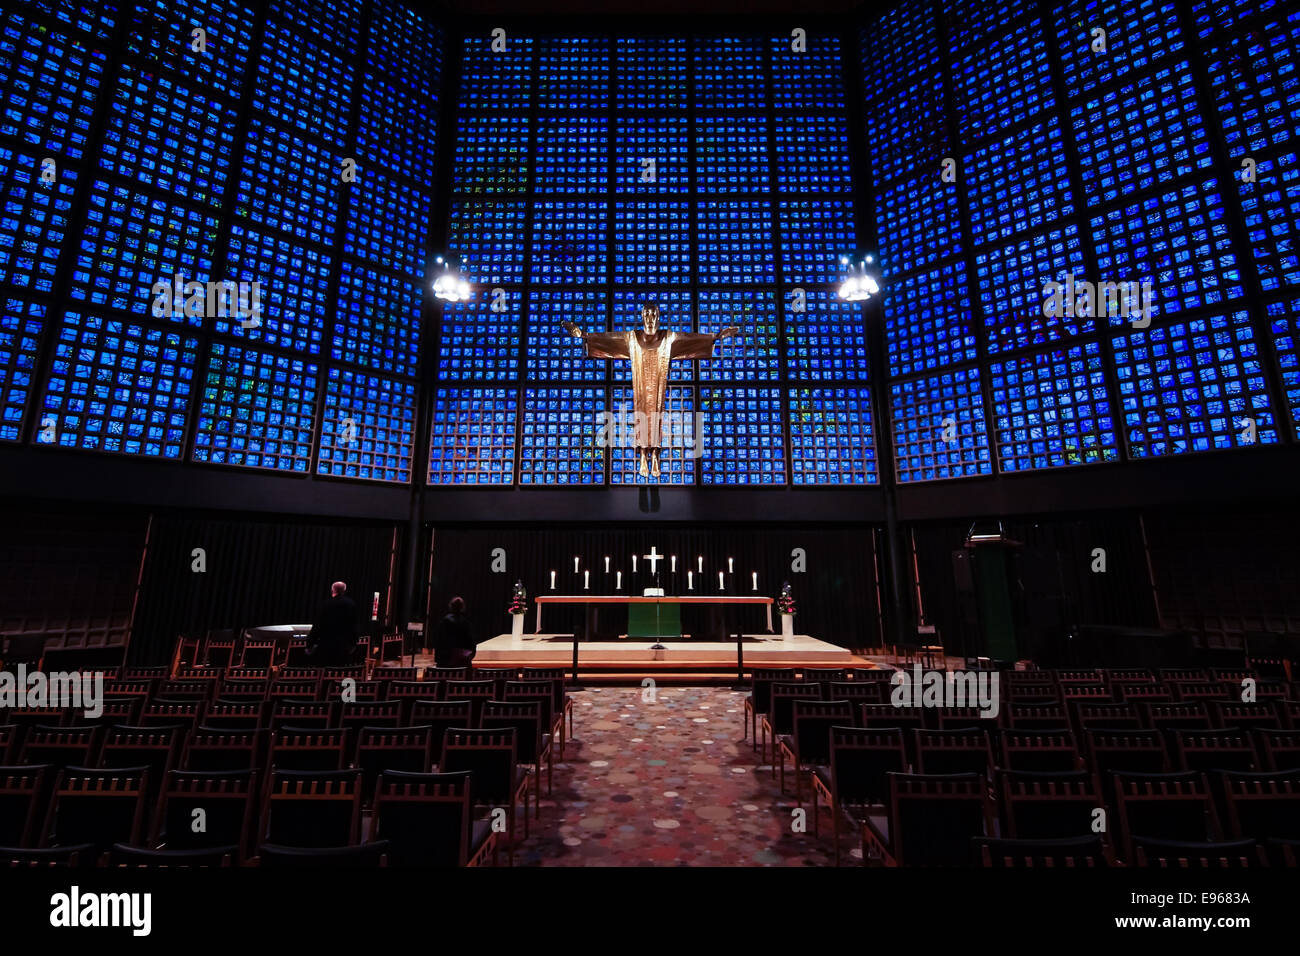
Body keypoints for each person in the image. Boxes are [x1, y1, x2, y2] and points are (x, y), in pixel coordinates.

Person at [308, 581, 359, 666]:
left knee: (324, 668)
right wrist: (353, 643)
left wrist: (310, 643)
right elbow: (354, 625)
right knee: (339, 671)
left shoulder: (325, 604)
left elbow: (317, 625)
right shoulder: (351, 604)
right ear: (344, 591)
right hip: (343, 644)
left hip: (326, 643)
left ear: (332, 590)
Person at [433, 596, 476, 668]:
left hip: (446, 661)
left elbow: (438, 641)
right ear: (462, 607)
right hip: (462, 661)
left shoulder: (444, 622)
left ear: (451, 606)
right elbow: (471, 642)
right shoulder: (466, 623)